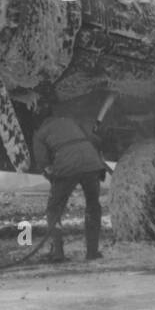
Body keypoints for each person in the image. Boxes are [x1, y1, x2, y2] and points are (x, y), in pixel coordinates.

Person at [31, 100, 108, 262]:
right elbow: (94, 140)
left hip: (67, 167)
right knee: (93, 207)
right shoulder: (70, 122)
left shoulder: (39, 134)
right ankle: (92, 252)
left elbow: (44, 164)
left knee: (54, 209)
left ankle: (58, 252)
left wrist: (54, 179)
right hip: (92, 164)